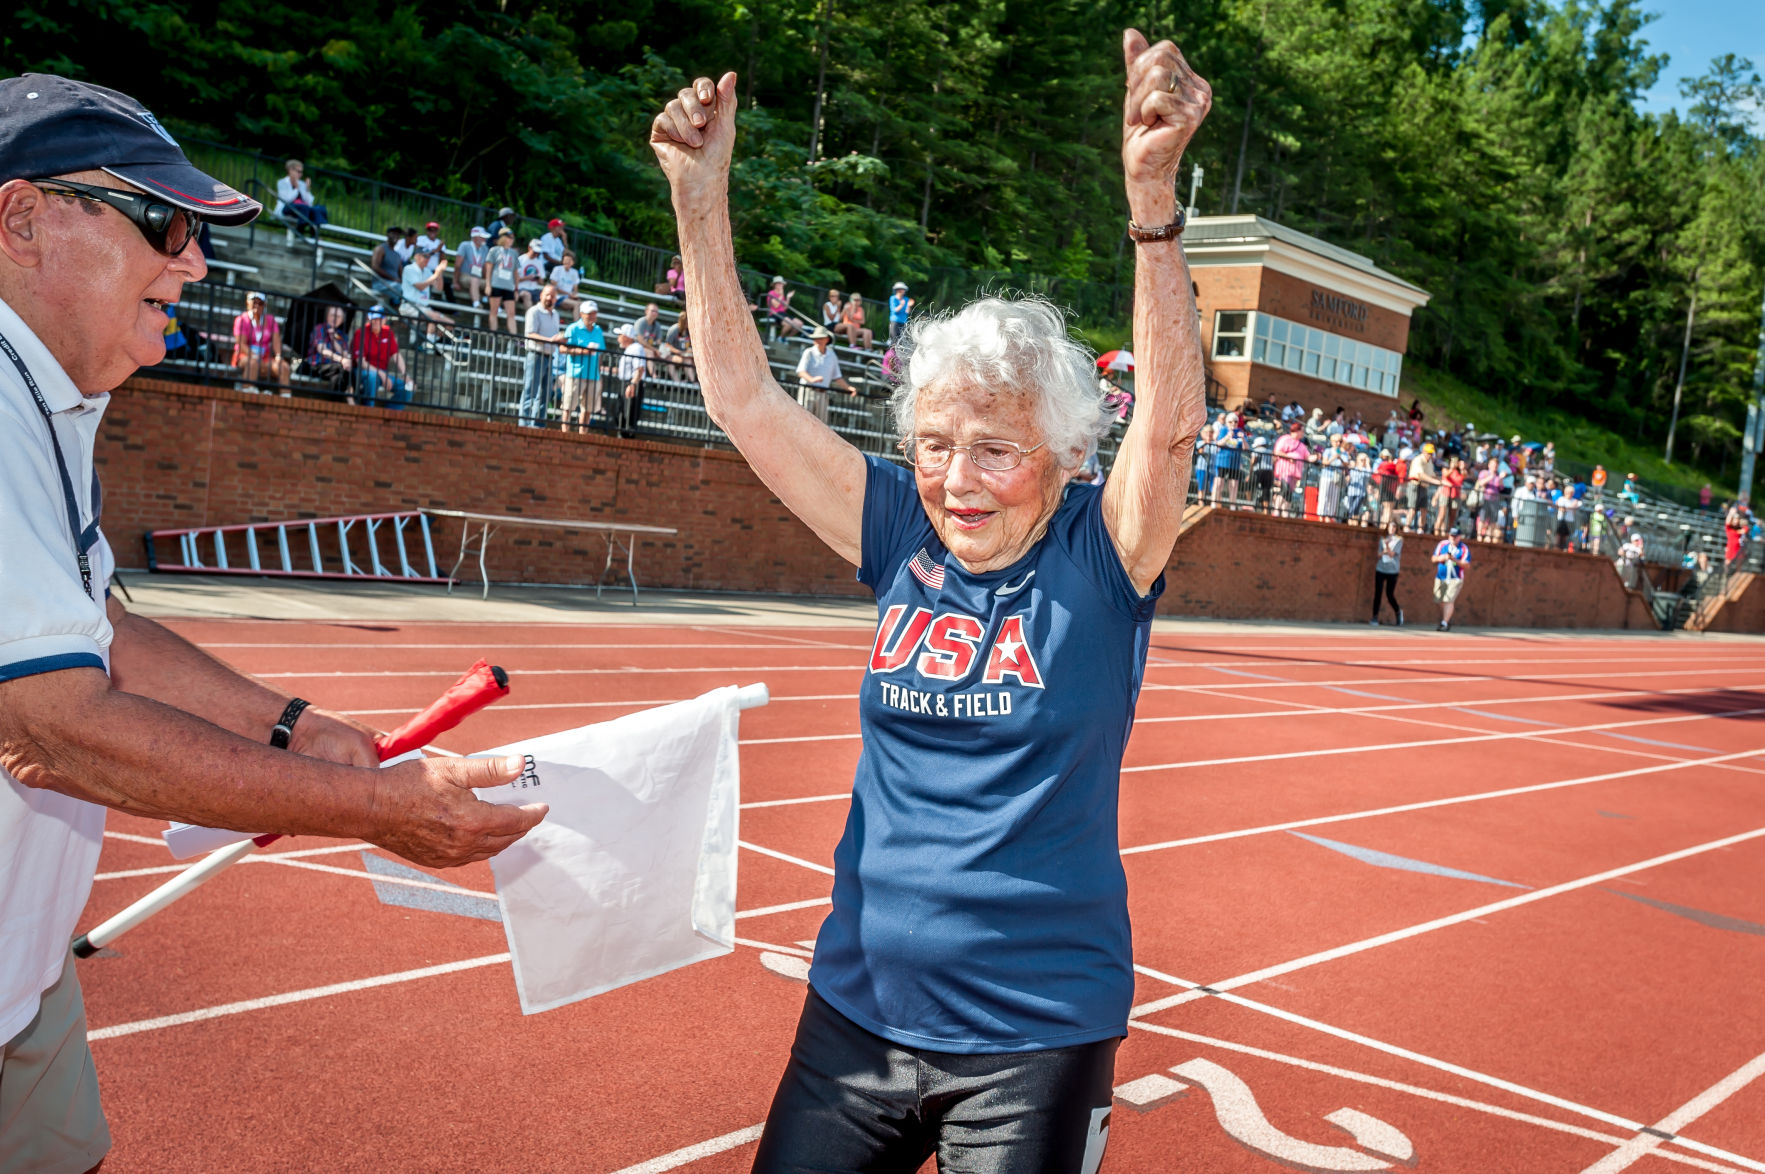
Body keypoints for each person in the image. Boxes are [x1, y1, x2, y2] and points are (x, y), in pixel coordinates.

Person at [650, 30, 1210, 1166]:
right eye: (937, 444)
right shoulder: (898, 529)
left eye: (995, 449)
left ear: (1060, 454)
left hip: (1034, 1040)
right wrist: (699, 203)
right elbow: (743, 399)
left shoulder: (1102, 554)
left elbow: (1172, 426)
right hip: (854, 1014)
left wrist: (1151, 204)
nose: (958, 478)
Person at [0, 73, 544, 1174]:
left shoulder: (47, 393)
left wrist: (293, 726)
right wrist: (370, 804)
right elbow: (50, 728)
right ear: (22, 221)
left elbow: (97, 621)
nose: (193, 259)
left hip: (23, 979)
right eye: (162, 222)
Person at [519, 281, 565, 427]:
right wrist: (551, 340)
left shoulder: (556, 314)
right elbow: (530, 334)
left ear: (556, 298)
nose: (549, 298)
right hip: (535, 354)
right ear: (541, 295)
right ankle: (524, 424)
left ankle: (538, 425)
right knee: (529, 391)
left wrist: (559, 339)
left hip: (550, 356)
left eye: (552, 296)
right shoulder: (533, 311)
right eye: (547, 295)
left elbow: (553, 334)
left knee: (545, 395)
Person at [559, 299, 605, 434]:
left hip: (593, 374)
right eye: (589, 313)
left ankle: (583, 434)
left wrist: (599, 373)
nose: (592, 316)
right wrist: (583, 351)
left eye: (594, 313)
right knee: (568, 406)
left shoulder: (598, 330)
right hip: (575, 373)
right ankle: (564, 432)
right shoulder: (573, 328)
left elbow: (600, 353)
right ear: (581, 314)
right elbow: (562, 348)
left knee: (588, 408)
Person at [232, 290, 290, 394]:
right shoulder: (241, 319)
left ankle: (286, 397)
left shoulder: (271, 320)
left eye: (260, 303)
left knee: (283, 366)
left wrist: (278, 356)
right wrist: (253, 355)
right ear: (248, 303)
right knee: (252, 362)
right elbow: (241, 343)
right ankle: (247, 391)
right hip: (245, 356)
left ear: (264, 305)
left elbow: (276, 341)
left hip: (265, 358)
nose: (257, 305)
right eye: (254, 302)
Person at [350, 306, 409, 407]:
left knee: (407, 388)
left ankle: (389, 416)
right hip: (362, 371)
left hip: (382, 374)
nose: (376, 321)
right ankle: (368, 410)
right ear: (369, 318)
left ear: (385, 320)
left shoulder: (388, 332)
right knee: (372, 376)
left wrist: (405, 374)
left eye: (379, 319)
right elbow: (361, 362)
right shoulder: (360, 333)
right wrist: (382, 374)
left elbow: (396, 355)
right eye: (374, 319)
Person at [794, 325, 852, 421]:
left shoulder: (832, 355)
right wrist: (812, 379)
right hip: (808, 392)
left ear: (826, 339)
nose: (817, 340)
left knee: (821, 425)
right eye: (816, 338)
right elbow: (801, 371)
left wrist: (848, 388)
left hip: (822, 394)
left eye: (820, 338)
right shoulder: (808, 352)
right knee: (803, 421)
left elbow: (837, 377)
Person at [399, 248, 453, 344]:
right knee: (434, 317)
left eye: (429, 256)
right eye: (425, 256)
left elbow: (439, 288)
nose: (428, 259)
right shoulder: (409, 269)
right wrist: (436, 273)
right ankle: (429, 344)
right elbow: (420, 286)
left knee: (450, 324)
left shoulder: (427, 271)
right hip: (409, 306)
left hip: (424, 308)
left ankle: (429, 341)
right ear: (417, 256)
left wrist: (439, 273)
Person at [273, 158, 327, 242]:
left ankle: (314, 235)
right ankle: (299, 232)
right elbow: (286, 200)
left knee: (319, 209)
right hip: (287, 208)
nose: (300, 174)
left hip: (302, 209)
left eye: (301, 172)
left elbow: (309, 203)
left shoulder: (302, 184)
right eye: (298, 171)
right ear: (290, 170)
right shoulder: (282, 182)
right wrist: (296, 188)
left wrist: (307, 189)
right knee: (304, 208)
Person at [305, 303, 352, 398]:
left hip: (335, 368)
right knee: (341, 370)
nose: (335, 318)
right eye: (332, 315)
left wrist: (333, 339)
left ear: (342, 320)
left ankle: (332, 404)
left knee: (343, 375)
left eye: (338, 316)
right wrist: (341, 360)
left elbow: (345, 354)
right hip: (317, 364)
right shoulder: (320, 328)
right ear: (327, 316)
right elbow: (322, 350)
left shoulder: (342, 335)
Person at [1431, 526, 1470, 630]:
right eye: (1451, 536)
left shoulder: (1463, 548)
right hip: (1441, 577)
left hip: (1455, 578)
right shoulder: (1443, 544)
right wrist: (1443, 557)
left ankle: (1444, 622)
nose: (1453, 538)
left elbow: (1466, 565)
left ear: (1459, 537)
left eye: (1455, 536)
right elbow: (1434, 558)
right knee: (1440, 599)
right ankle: (1447, 618)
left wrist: (1454, 559)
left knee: (1449, 599)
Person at [615, 321, 650, 436]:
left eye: (620, 335)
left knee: (628, 417)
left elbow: (639, 369)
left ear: (626, 337)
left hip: (631, 383)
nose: (618, 338)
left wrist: (632, 385)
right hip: (627, 383)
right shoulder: (631, 349)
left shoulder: (636, 348)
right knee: (621, 414)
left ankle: (626, 440)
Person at [483, 228, 520, 335]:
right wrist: (488, 285)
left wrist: (516, 289)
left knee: (511, 313)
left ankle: (514, 337)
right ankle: (493, 334)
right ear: (503, 238)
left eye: (512, 237)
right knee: (494, 311)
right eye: (509, 237)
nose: (511, 240)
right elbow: (489, 269)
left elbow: (516, 273)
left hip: (509, 286)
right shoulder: (494, 250)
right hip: (496, 284)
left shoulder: (514, 253)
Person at [1272, 417, 1309, 517]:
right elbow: (1277, 451)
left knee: (1289, 492)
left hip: (1295, 471)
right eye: (1302, 431)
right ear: (1297, 431)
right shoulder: (1285, 439)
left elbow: (1308, 457)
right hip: (1284, 469)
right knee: (1285, 488)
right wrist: (1289, 457)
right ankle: (1276, 509)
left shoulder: (1301, 445)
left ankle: (1285, 511)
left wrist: (1317, 456)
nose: (1303, 433)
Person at [1372, 520, 1403, 625]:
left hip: (1392, 570)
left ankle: (1398, 612)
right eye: (1390, 527)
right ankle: (1374, 617)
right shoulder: (1382, 538)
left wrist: (1387, 546)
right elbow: (1378, 554)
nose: (1392, 529)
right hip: (1380, 568)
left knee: (1389, 594)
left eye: (1394, 527)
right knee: (1378, 593)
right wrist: (1382, 551)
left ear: (1396, 528)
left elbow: (1392, 554)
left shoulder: (1399, 540)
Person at [453, 226, 490, 308]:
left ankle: (497, 307)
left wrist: (488, 281)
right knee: (475, 279)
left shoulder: (485, 249)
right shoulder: (464, 245)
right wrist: (455, 282)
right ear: (475, 237)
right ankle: (476, 304)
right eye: (482, 237)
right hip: (465, 276)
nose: (484, 239)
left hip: (478, 277)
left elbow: (485, 267)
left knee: (494, 282)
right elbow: (457, 265)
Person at [368, 224, 404, 307]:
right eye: (393, 233)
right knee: (399, 289)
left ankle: (397, 311)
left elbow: (401, 272)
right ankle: (396, 311)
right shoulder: (380, 249)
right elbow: (375, 267)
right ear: (388, 235)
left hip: (394, 285)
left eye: (398, 234)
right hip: (381, 283)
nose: (396, 236)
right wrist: (393, 279)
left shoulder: (397, 255)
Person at [661, 308, 693, 381]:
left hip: (686, 354)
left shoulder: (689, 330)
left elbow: (690, 345)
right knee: (683, 361)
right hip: (673, 355)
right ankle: (678, 382)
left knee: (690, 361)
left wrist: (689, 351)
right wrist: (679, 352)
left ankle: (693, 382)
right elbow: (667, 345)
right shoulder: (674, 329)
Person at [516, 238, 546, 313]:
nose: (536, 254)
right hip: (521, 288)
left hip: (534, 289)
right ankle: (530, 318)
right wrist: (527, 278)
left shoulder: (539, 263)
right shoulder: (520, 259)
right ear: (529, 248)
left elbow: (541, 282)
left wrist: (538, 278)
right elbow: (514, 278)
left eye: (538, 253)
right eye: (535, 252)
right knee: (527, 295)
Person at [549, 249, 582, 313]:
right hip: (558, 297)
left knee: (582, 306)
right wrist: (569, 294)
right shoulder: (557, 269)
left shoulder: (574, 272)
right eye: (565, 260)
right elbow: (554, 287)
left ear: (573, 262)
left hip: (568, 297)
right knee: (578, 304)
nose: (567, 262)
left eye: (569, 260)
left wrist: (574, 296)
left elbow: (575, 289)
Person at [887, 280, 912, 345]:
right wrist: (901, 304)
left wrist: (909, 306)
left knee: (901, 341)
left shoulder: (906, 299)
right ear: (898, 290)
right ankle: (890, 354)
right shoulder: (893, 298)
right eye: (902, 289)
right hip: (894, 322)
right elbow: (895, 310)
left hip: (903, 322)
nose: (903, 291)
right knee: (894, 340)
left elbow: (907, 312)